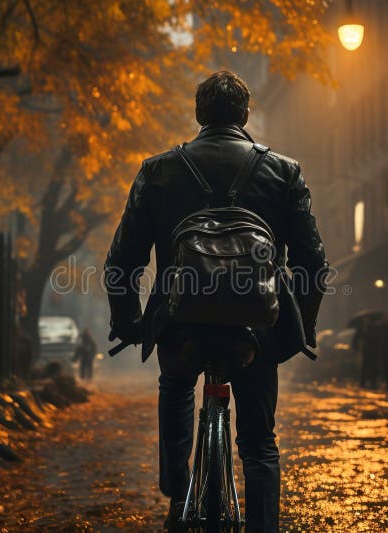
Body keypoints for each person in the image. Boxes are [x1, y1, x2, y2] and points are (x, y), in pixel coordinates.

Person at [105, 71, 326, 532]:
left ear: (198, 114)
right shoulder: (284, 171)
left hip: (180, 322)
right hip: (257, 328)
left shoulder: (158, 170)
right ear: (245, 115)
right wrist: (300, 327)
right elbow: (312, 261)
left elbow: (123, 258)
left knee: (176, 383)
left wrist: (129, 323)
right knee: (260, 443)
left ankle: (176, 488)